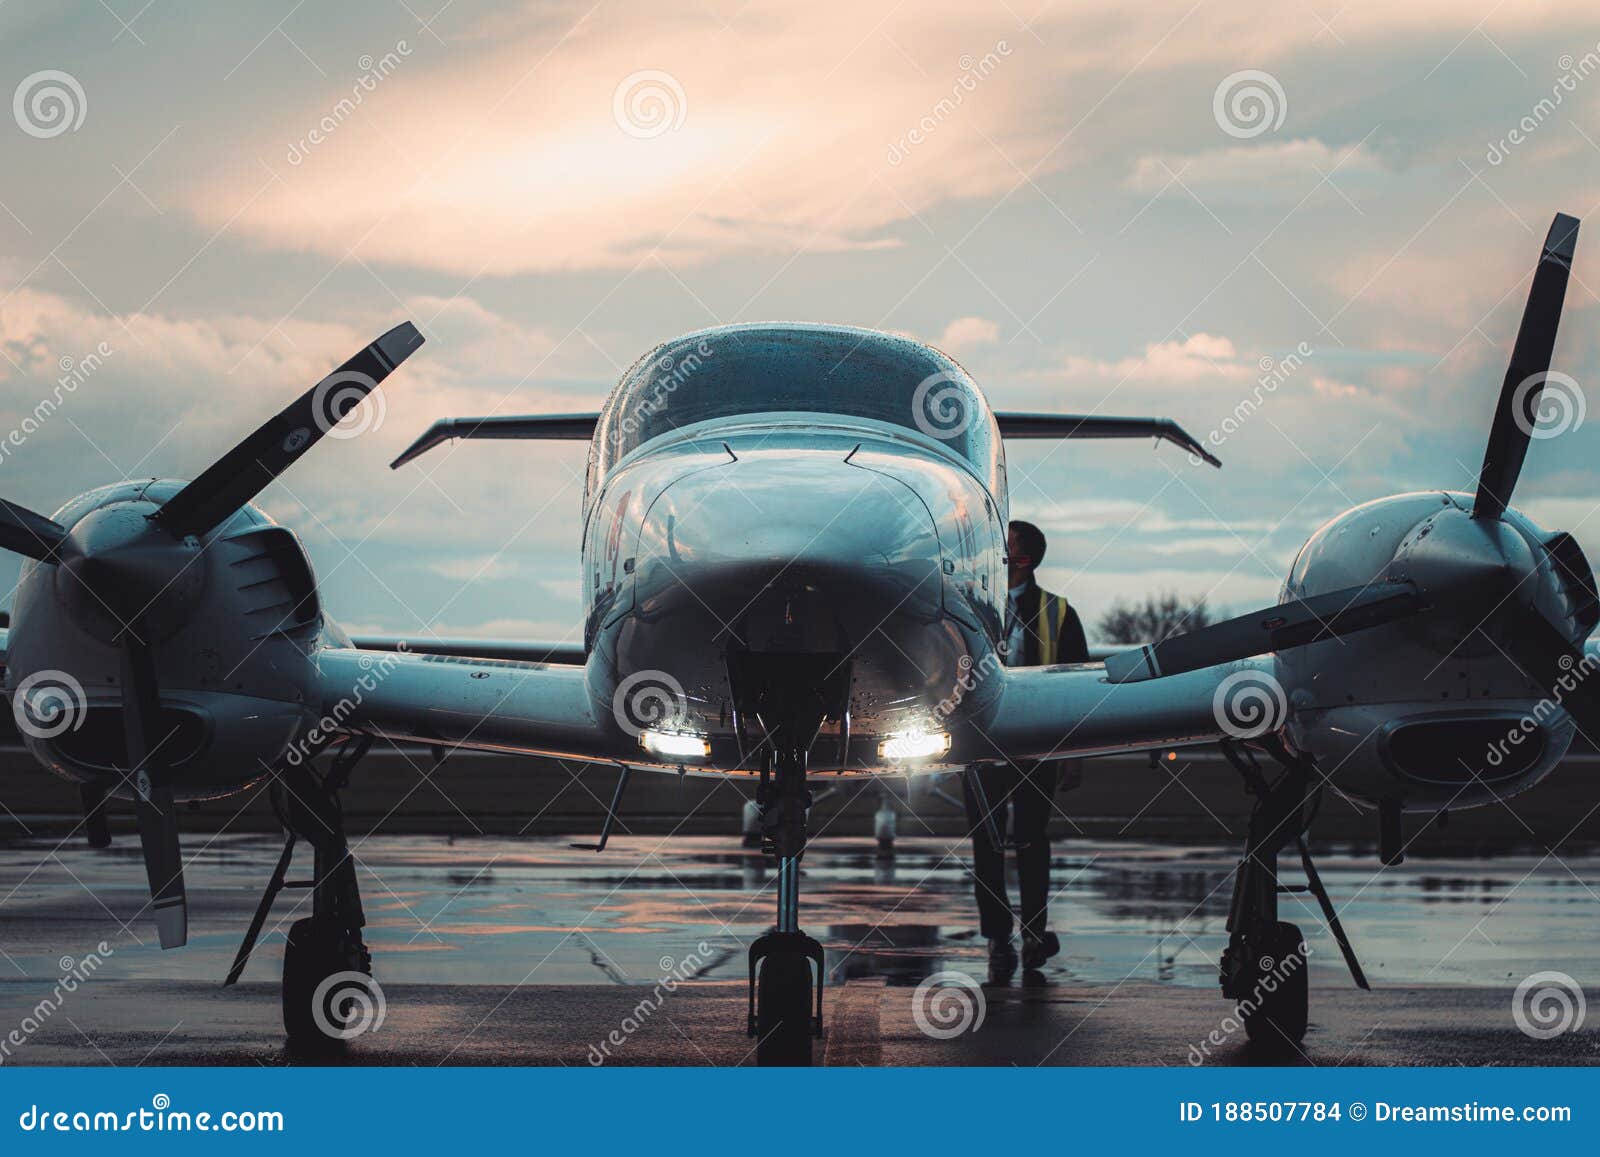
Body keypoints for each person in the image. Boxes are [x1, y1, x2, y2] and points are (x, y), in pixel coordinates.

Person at [963, 519, 1089, 977]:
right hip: (982, 745)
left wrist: (1074, 754)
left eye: (1006, 546)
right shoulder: (973, 605)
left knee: (1032, 841)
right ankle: (998, 937)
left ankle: (1034, 934)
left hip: (1037, 747)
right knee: (987, 844)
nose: (996, 551)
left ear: (1024, 559)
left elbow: (1078, 685)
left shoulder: (1058, 612)